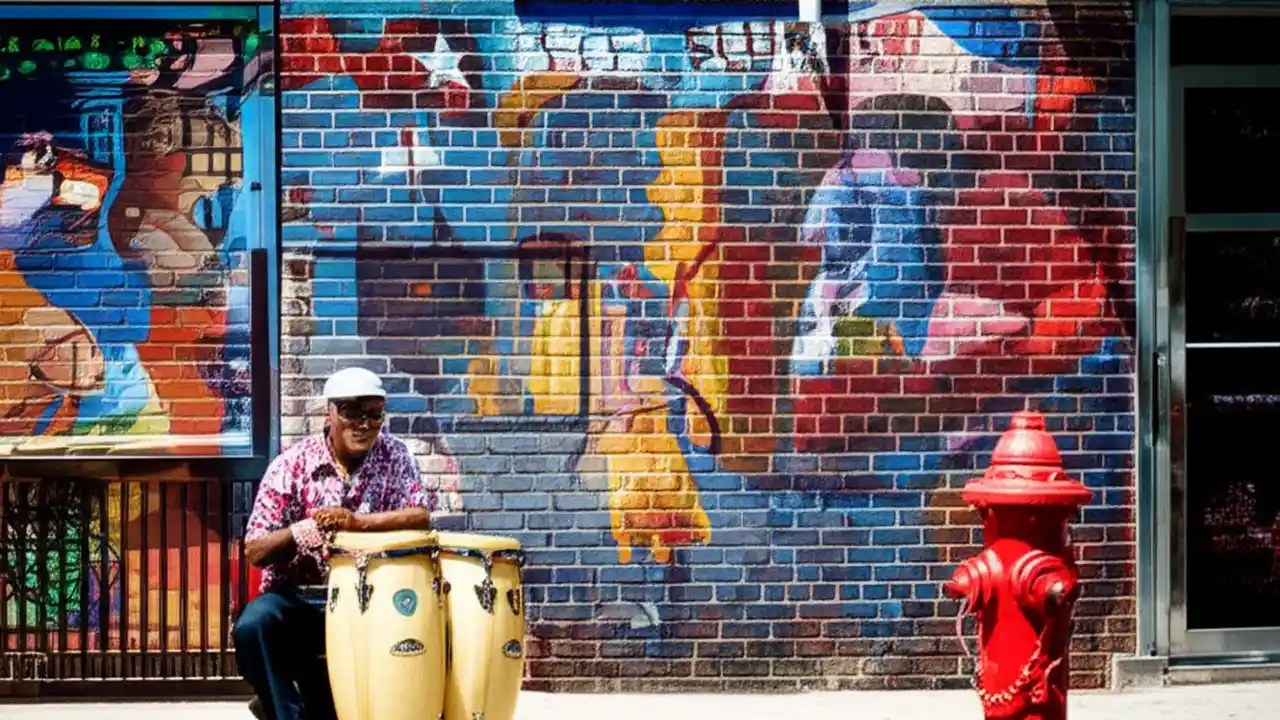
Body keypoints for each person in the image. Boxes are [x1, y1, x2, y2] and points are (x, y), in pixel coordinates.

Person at [234, 367, 439, 720]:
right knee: (254, 625)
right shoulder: (292, 465)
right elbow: (255, 550)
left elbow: (419, 515)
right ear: (329, 412)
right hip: (303, 603)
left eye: (375, 414)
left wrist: (356, 523)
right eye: (351, 412)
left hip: (374, 605)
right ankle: (280, 709)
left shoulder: (395, 456)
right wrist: (304, 531)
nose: (364, 424)